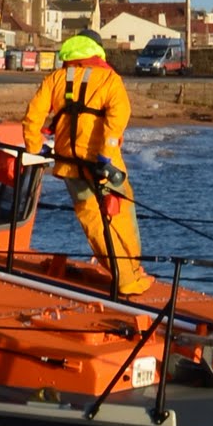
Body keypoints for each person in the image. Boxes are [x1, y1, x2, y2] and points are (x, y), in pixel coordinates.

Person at [21, 29, 151, 296]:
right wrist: (106, 152)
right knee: (120, 215)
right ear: (97, 51)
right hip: (104, 165)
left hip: (70, 165)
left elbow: (32, 117)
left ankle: (122, 273)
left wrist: (35, 151)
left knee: (92, 219)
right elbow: (118, 116)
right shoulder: (109, 80)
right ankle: (130, 274)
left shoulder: (56, 78)